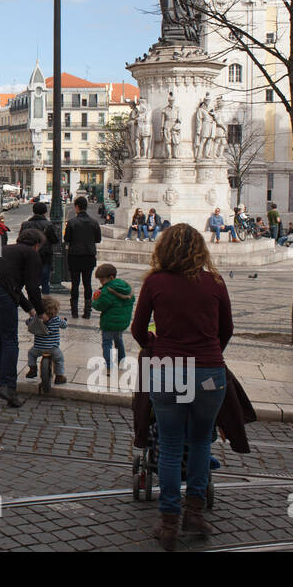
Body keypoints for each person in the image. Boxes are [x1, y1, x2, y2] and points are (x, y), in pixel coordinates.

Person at [131, 223, 233, 551]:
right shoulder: (214, 282)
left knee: (172, 447)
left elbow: (137, 329)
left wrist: (155, 344)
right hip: (208, 372)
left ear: (163, 248)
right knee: (202, 442)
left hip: (168, 368)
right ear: (201, 250)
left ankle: (169, 523)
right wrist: (210, 352)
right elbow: (226, 329)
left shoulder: (155, 282)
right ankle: (195, 513)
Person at [0, 226, 46, 408]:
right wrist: (41, 311)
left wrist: (29, 309)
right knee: (9, 337)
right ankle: (8, 386)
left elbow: (9, 285)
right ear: (36, 245)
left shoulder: (5, 249)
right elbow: (31, 287)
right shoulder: (31, 254)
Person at [63, 196, 102, 319]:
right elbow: (98, 239)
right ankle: (87, 311)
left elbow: (66, 239)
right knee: (87, 283)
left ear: (76, 207)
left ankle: (74, 311)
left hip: (74, 255)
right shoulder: (94, 222)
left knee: (75, 284)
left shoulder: (72, 222)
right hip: (89, 255)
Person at [91, 262, 133, 371]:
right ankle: (122, 361)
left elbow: (100, 305)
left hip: (109, 323)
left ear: (111, 277)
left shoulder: (107, 291)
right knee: (119, 341)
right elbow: (131, 300)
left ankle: (109, 364)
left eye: (102, 280)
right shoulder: (126, 287)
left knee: (107, 343)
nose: (101, 283)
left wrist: (94, 301)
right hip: (122, 323)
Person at [24, 294, 66, 382]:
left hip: (38, 348)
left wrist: (31, 319)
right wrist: (65, 321)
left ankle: (33, 369)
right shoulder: (57, 319)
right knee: (59, 359)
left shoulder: (36, 319)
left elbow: (27, 322)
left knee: (31, 354)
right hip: (53, 349)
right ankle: (59, 376)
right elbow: (64, 325)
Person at [22, 201, 61, 294]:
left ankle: (32, 301)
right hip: (45, 257)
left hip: (29, 257)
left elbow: (20, 239)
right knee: (45, 281)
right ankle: (45, 303)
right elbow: (55, 240)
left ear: (34, 211)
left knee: (31, 281)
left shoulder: (25, 224)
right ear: (45, 212)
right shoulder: (48, 225)